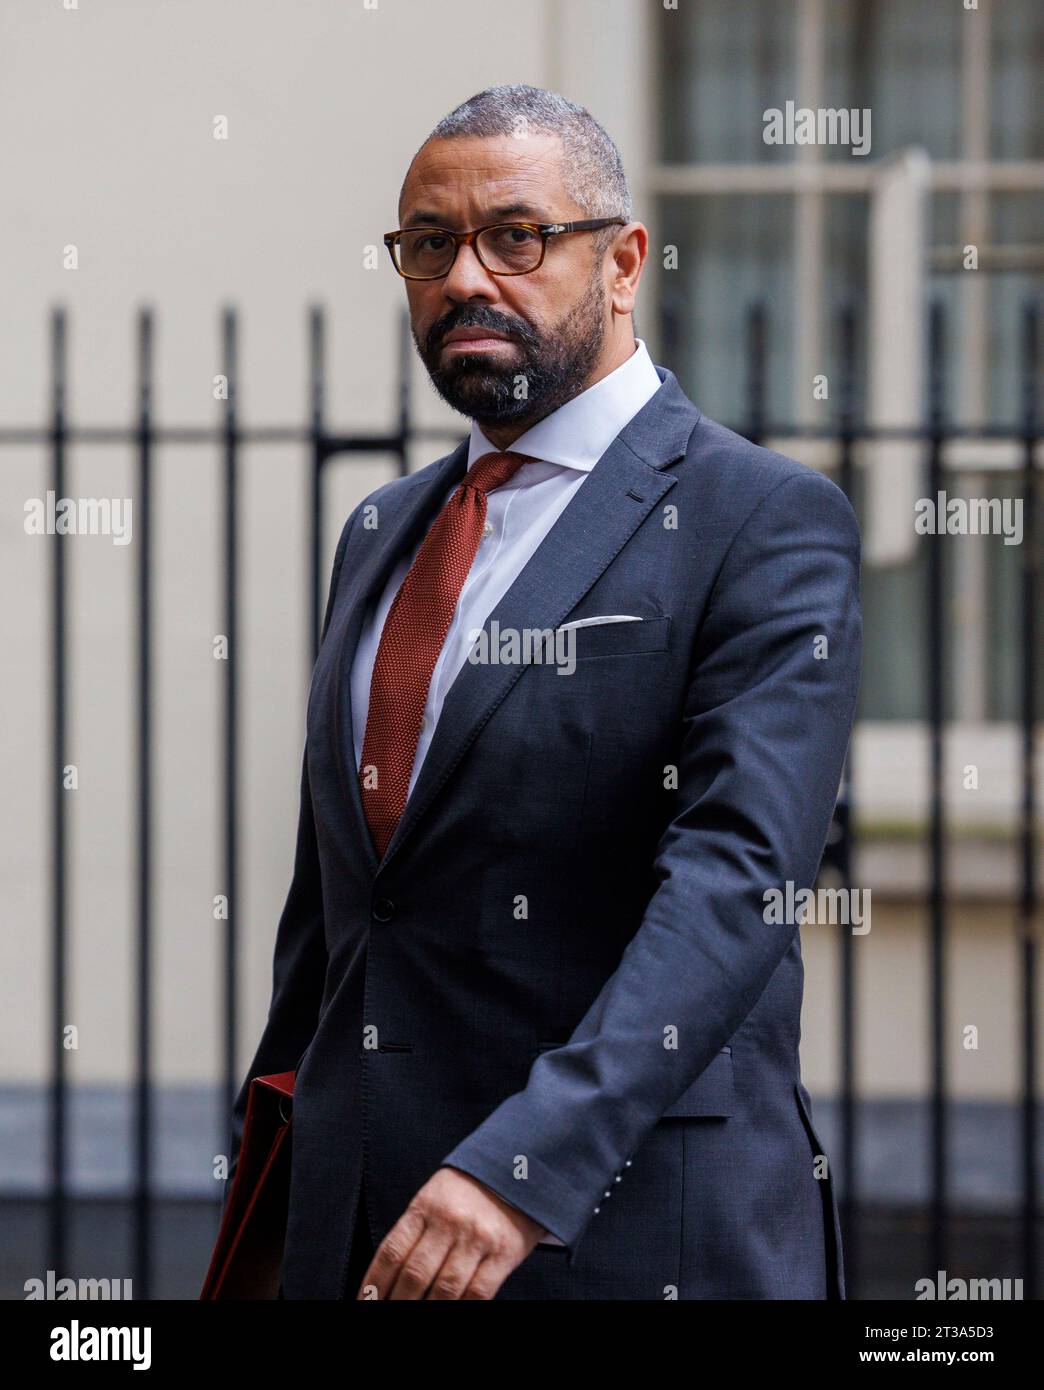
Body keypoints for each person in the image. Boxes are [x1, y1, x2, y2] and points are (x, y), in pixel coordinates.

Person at [225, 83, 861, 1301]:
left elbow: (736, 880)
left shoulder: (761, 522)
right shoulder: (383, 530)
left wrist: (525, 1165)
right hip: (365, 1233)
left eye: (517, 237)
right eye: (429, 244)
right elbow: (344, 910)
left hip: (624, 1227)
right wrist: (277, 1182)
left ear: (622, 262)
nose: (467, 276)